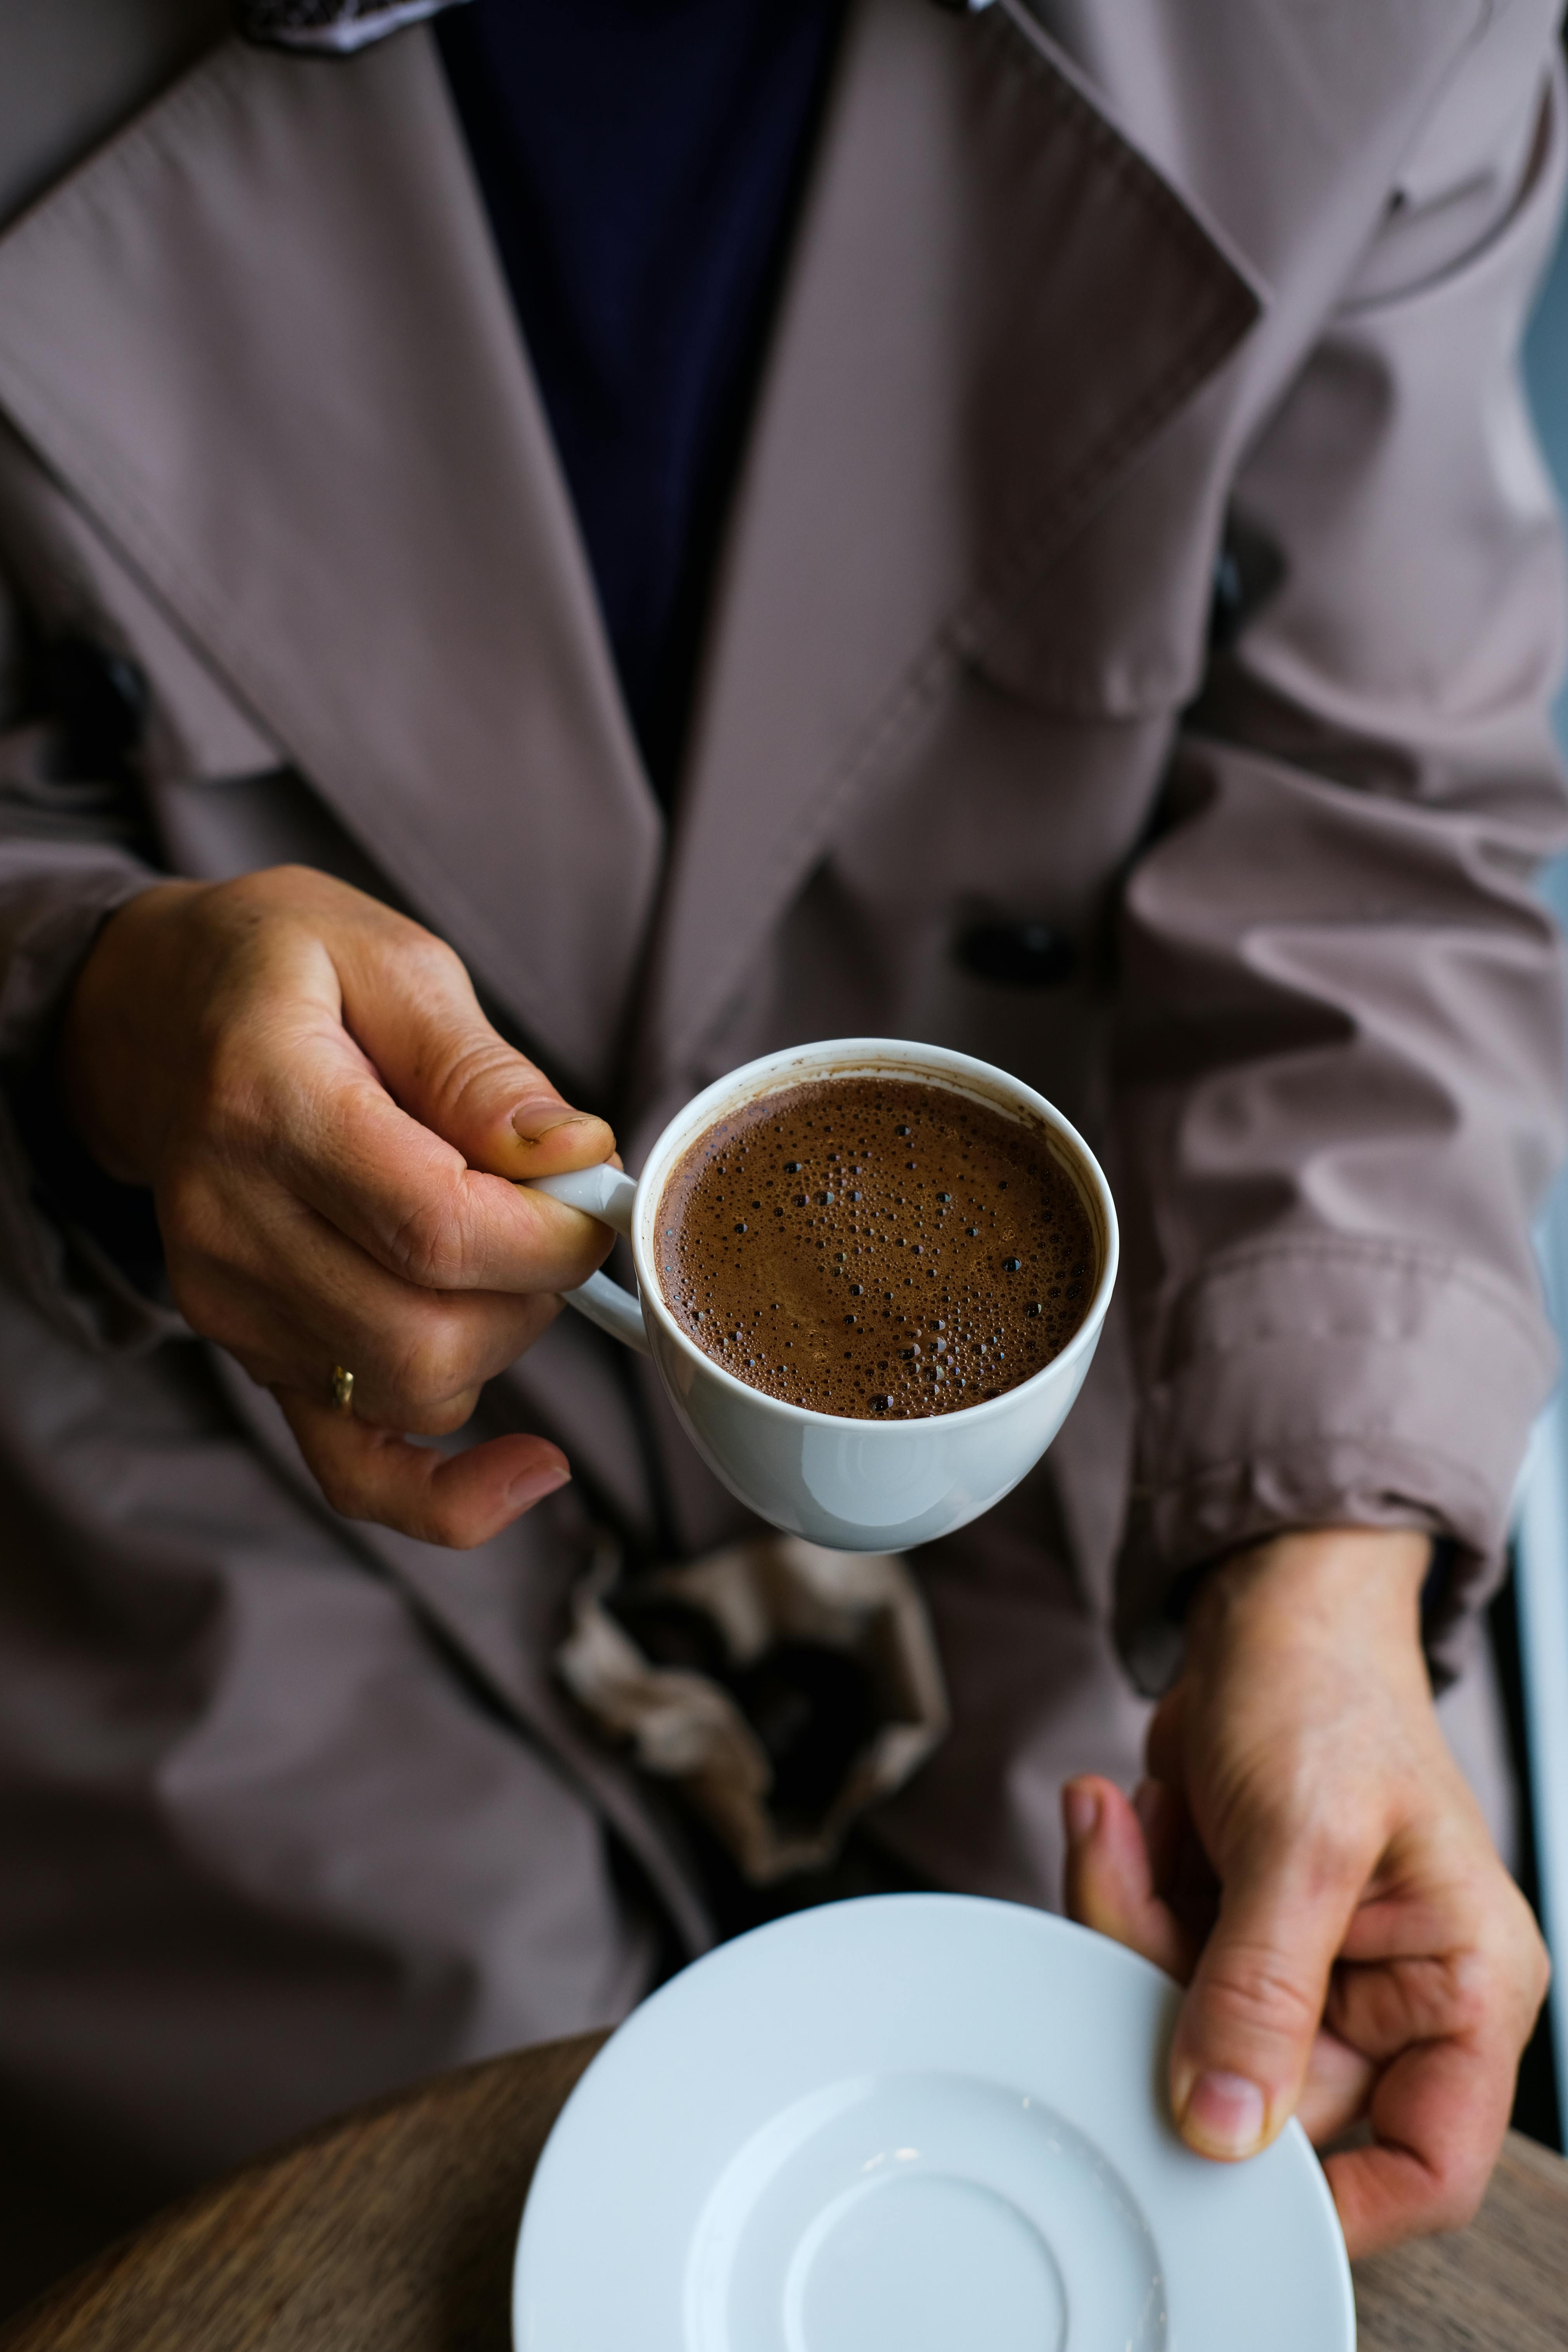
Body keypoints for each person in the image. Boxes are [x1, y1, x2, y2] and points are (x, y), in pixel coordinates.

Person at [0, 0, 1560, 2303]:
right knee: (412, 2217)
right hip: (193, 1361)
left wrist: (1318, 1561)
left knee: (1161, 2143)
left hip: (1132, 1369)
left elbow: (1376, 823)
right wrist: (89, 1019)